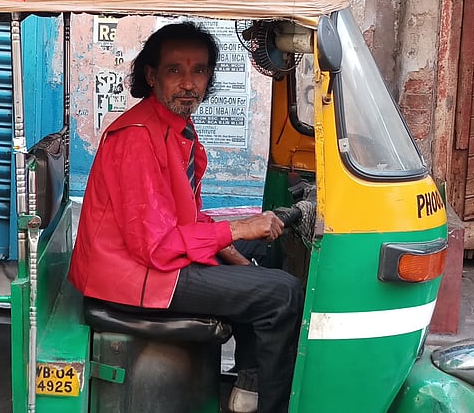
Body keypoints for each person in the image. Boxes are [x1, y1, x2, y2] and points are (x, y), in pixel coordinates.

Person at [68, 21, 305, 413]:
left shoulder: (174, 128)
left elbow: (185, 218)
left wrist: (236, 243)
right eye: (175, 70)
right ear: (151, 75)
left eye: (199, 71)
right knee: (282, 294)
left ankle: (249, 378)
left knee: (266, 250)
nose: (188, 83)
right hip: (131, 278)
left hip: (149, 261)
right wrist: (238, 229)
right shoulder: (138, 138)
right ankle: (270, 403)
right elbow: (157, 247)